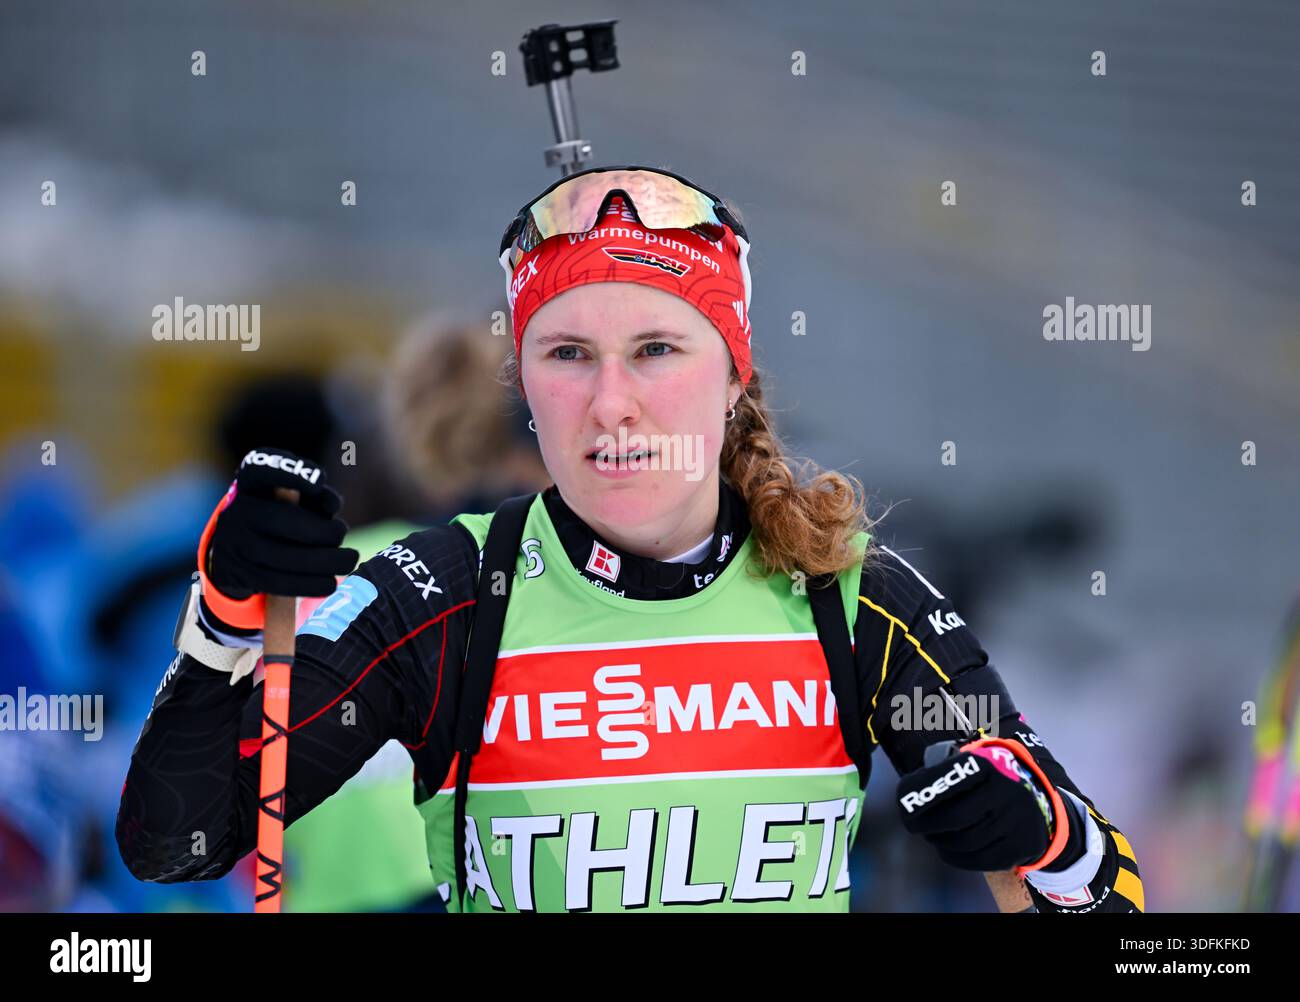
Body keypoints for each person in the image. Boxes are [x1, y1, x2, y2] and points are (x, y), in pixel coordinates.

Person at [116, 166, 1142, 913]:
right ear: (526, 388)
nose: (612, 403)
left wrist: (1051, 846)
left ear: (735, 377)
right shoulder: (443, 591)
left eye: (657, 348)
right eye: (568, 354)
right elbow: (178, 843)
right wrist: (222, 632)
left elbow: (1120, 913)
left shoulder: (853, 598)